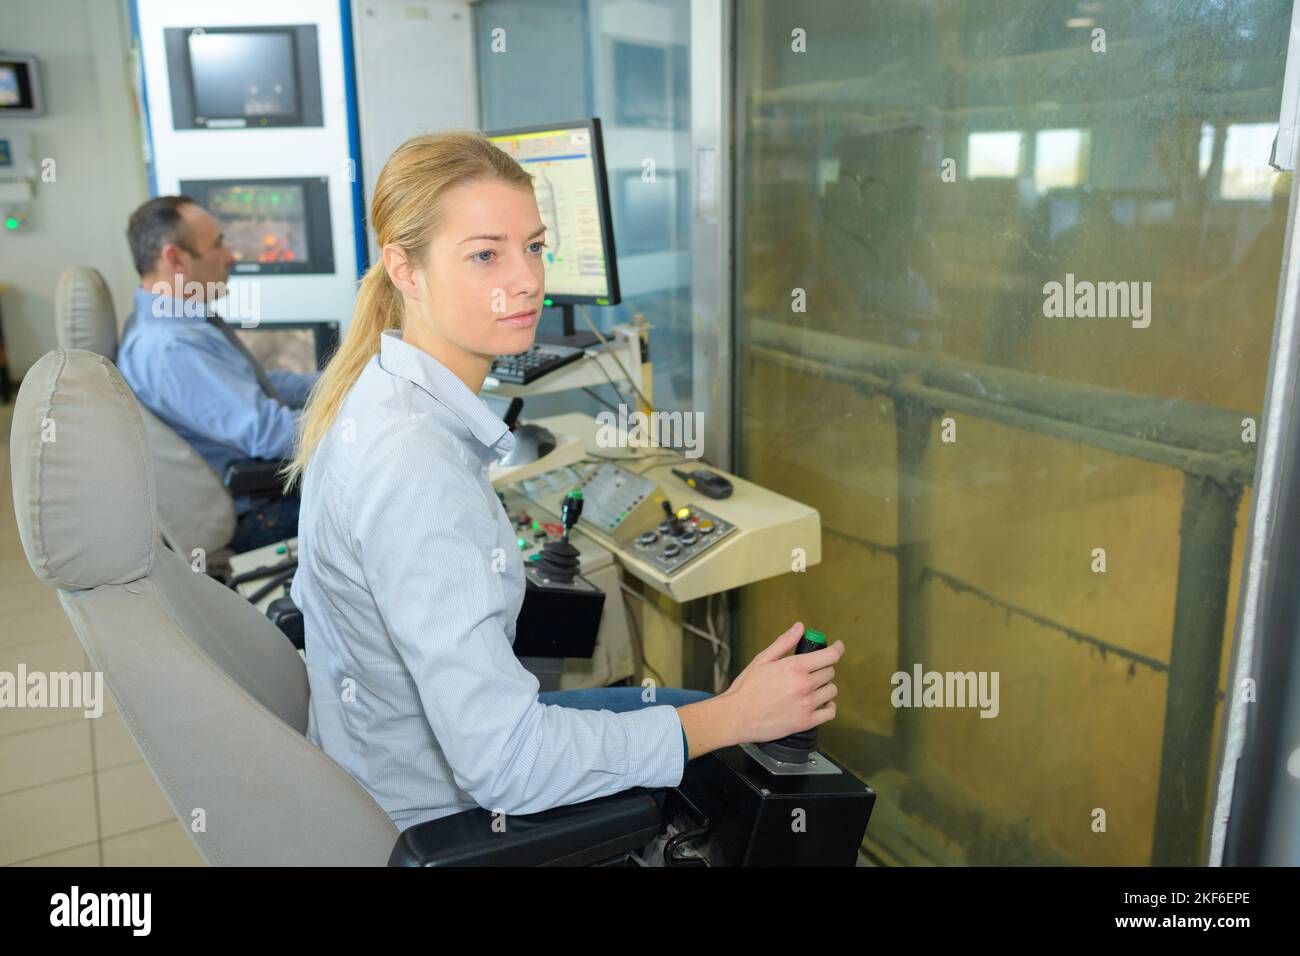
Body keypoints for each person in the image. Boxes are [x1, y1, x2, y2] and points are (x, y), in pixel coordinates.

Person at [283, 131, 843, 830]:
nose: (526, 279)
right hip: (439, 812)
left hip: (381, 760)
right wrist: (735, 714)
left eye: (535, 247)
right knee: (719, 743)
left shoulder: (378, 393)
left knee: (672, 706)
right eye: (485, 254)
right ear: (406, 270)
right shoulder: (414, 469)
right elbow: (508, 765)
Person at [116, 195, 320, 552]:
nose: (230, 257)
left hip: (261, 485)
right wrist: (359, 425)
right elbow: (271, 433)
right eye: (218, 245)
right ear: (175, 259)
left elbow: (264, 387)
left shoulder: (179, 322)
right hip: (261, 507)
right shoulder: (171, 347)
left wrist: (344, 383)